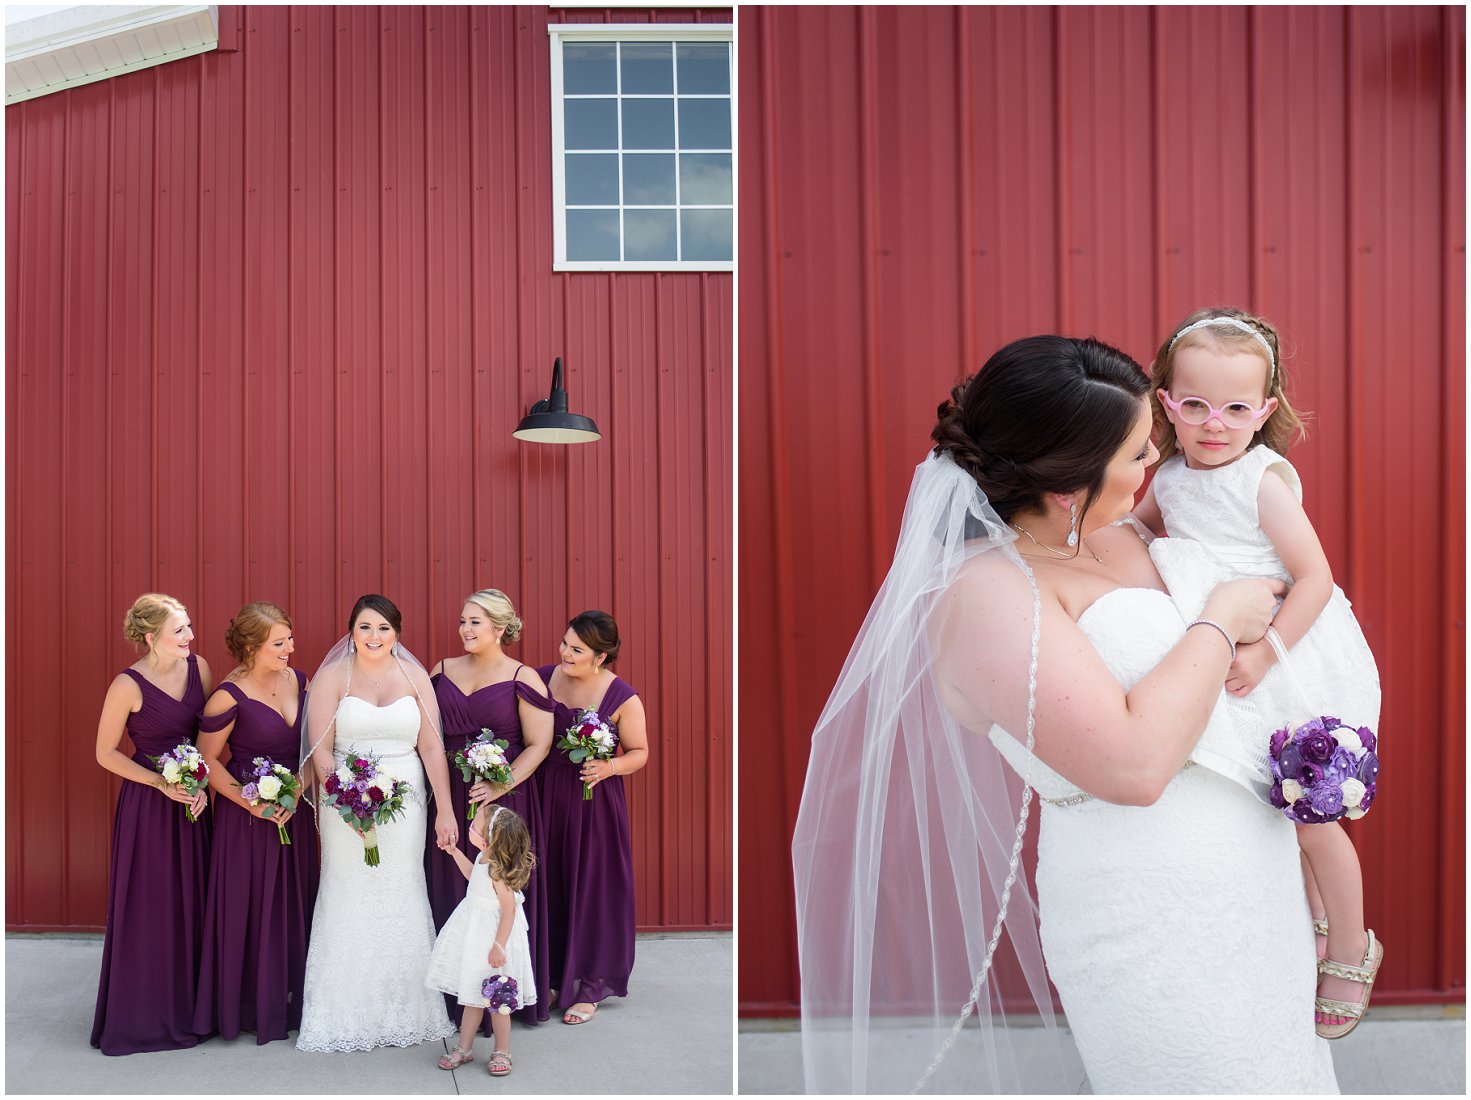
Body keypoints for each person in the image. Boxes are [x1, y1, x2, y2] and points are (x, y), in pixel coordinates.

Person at [792, 336, 1337, 1094]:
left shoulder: (1124, 536)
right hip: (1149, 915)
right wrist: (1218, 620)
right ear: (1068, 485)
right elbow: (1133, 765)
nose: (1159, 463)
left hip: (1254, 888)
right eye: (1138, 455)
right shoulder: (985, 594)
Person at [1136, 307, 1384, 1038]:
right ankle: (1308, 921)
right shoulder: (1171, 476)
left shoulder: (1259, 479)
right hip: (1232, 654)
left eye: (1237, 407)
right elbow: (1138, 530)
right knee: (1269, 804)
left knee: (1311, 818)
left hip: (1292, 656)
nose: (1215, 423)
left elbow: (1312, 577)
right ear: (1166, 405)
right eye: (1195, 405)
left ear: (1264, 411)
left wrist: (1261, 650)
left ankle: (1350, 943)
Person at [295, 594, 459, 1052]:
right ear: (351, 631)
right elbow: (321, 749)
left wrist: (445, 808)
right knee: (348, 891)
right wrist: (346, 799)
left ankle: (408, 1006)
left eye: (384, 628)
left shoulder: (414, 676)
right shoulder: (332, 676)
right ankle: (342, 1010)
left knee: (403, 889)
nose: (374, 637)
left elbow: (430, 746)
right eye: (365, 627)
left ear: (397, 634)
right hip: (344, 800)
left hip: (405, 805)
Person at [192, 602, 319, 1044]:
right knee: (251, 908)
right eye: (278, 643)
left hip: (294, 811)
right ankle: (247, 1004)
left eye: (290, 639)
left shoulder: (300, 681)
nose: (290, 648)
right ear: (250, 646)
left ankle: (290, 999)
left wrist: (299, 788)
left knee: (292, 902)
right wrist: (250, 803)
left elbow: (314, 746)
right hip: (247, 820)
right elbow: (206, 760)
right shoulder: (228, 695)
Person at [91, 593, 213, 1055]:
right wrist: (161, 783)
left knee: (194, 902)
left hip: (194, 805)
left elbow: (206, 738)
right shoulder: (128, 685)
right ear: (150, 636)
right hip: (149, 809)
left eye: (188, 627)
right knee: (153, 908)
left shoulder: (198, 668)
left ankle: (192, 1009)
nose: (189, 636)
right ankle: (144, 1014)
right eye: (179, 629)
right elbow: (105, 754)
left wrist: (199, 784)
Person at [429, 588, 553, 1028]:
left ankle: (501, 996)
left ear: (500, 628)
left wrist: (501, 784)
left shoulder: (523, 677)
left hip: (504, 801)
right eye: (462, 620)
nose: (465, 629)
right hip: (449, 794)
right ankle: (456, 997)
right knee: (454, 887)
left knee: (496, 894)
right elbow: (427, 734)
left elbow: (539, 743)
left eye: (475, 622)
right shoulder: (441, 671)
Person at [536, 611, 648, 1026]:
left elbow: (639, 752)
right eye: (565, 643)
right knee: (547, 883)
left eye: (577, 649)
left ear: (600, 657)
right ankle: (549, 977)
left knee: (590, 886)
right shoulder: (542, 677)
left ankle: (591, 983)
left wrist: (609, 768)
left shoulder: (623, 697)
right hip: (546, 797)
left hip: (593, 804)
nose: (565, 652)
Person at [425, 804, 538, 1077]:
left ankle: (502, 1050)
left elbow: (509, 910)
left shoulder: (498, 871)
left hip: (493, 942)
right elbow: (470, 876)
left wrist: (498, 946)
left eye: (475, 823)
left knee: (498, 1002)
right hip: (475, 939)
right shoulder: (482, 858)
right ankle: (464, 1048)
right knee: (472, 997)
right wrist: (455, 853)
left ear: (488, 838)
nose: (470, 825)